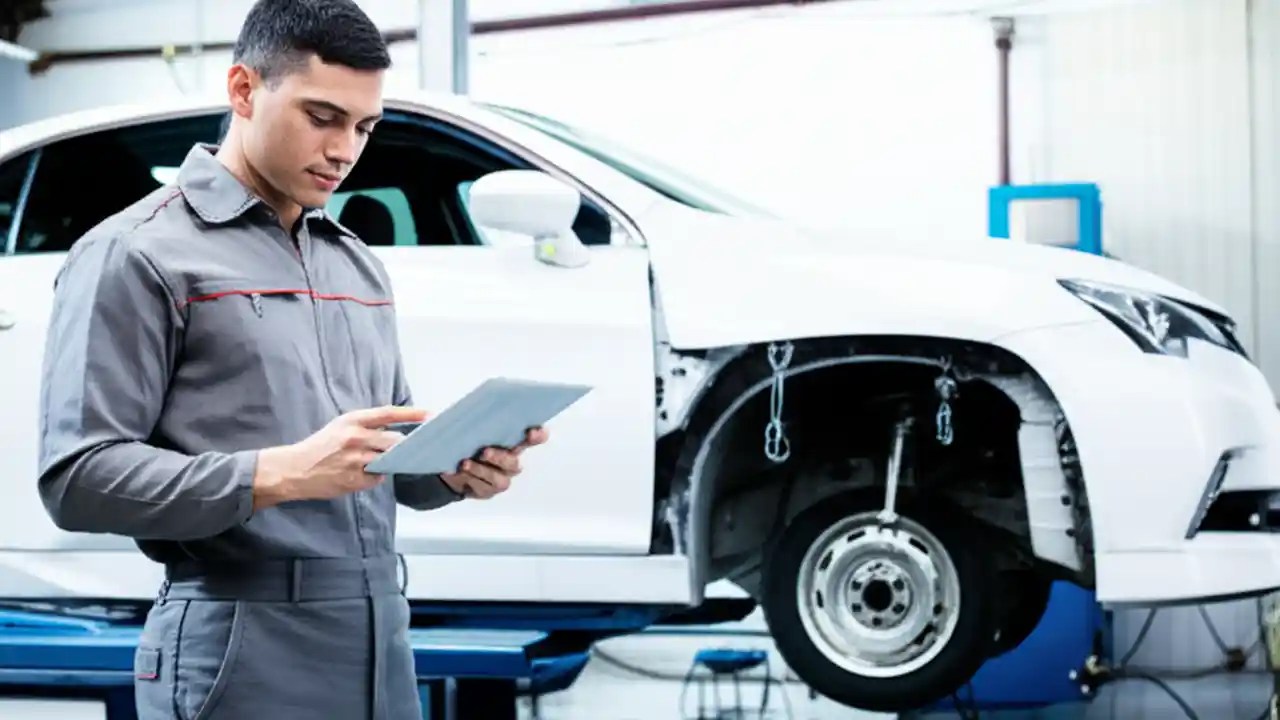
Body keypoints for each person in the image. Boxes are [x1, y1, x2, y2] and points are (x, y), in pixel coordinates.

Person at [35, 0, 548, 717]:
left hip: (379, 638)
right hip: (238, 641)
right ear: (243, 90)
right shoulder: (136, 253)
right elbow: (76, 478)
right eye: (323, 117)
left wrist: (452, 470)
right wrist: (280, 473)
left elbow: (378, 461)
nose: (346, 149)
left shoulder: (356, 266)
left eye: (365, 127)